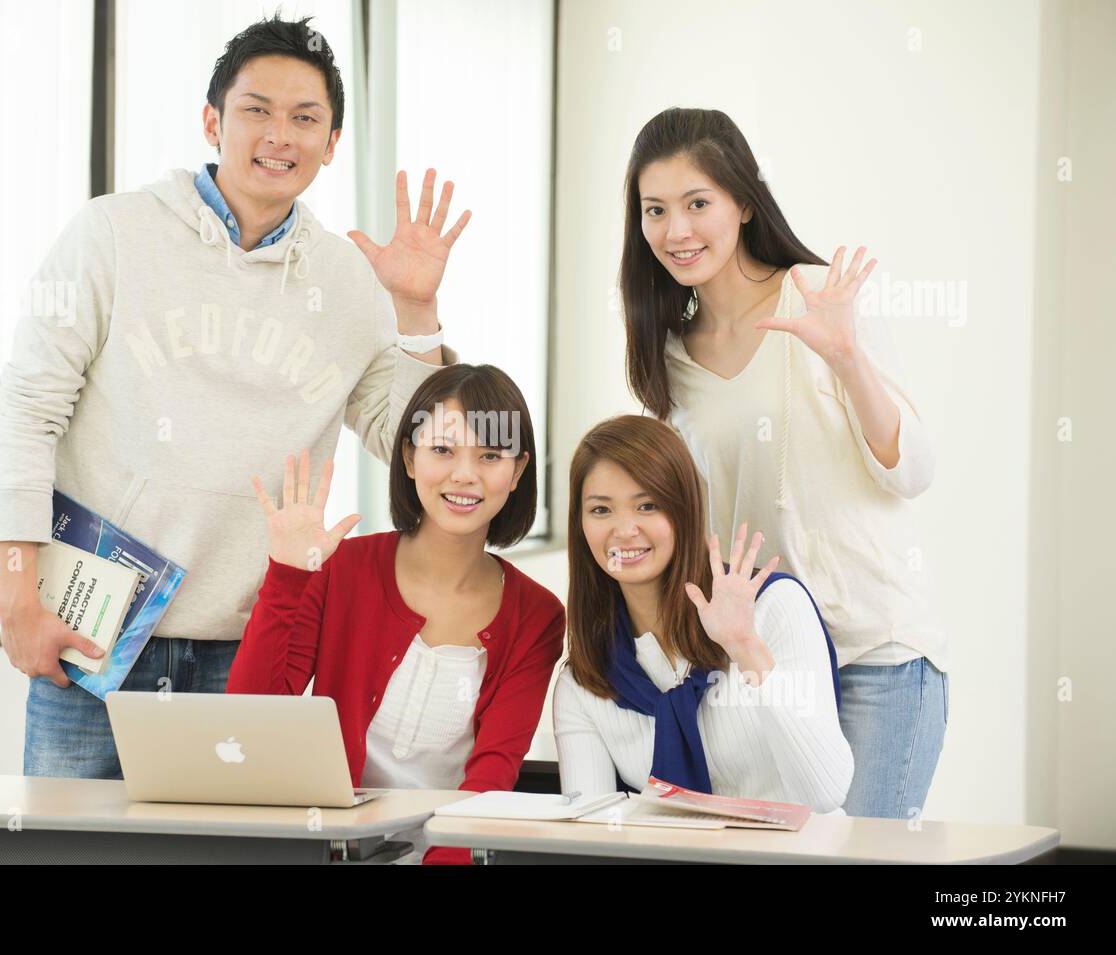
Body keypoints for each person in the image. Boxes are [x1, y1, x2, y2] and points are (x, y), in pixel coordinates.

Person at [0, 12, 469, 779]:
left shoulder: (348, 280)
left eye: (305, 118)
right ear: (213, 120)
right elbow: (26, 410)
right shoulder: (112, 234)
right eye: (257, 110)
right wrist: (17, 592)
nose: (280, 134)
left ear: (332, 144)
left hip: (252, 642)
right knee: (64, 852)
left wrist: (415, 312)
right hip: (97, 636)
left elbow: (412, 439)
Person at [616, 107, 947, 819]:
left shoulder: (819, 299)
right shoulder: (669, 355)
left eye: (697, 203)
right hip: (765, 660)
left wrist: (847, 358)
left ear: (741, 199)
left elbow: (911, 470)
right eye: (655, 210)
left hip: (874, 653)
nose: (676, 230)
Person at [227, 365, 566, 864]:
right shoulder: (342, 569)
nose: (464, 474)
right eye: (443, 450)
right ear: (409, 457)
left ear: (517, 472)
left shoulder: (537, 615)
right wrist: (286, 575)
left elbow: (492, 775)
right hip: (330, 849)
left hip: (451, 854)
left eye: (490, 455)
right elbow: (253, 716)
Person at [554, 415, 853, 812]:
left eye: (647, 505)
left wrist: (745, 648)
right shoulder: (584, 683)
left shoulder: (775, 608)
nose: (624, 530)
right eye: (600, 510)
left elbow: (826, 793)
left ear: (684, 511)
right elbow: (587, 833)